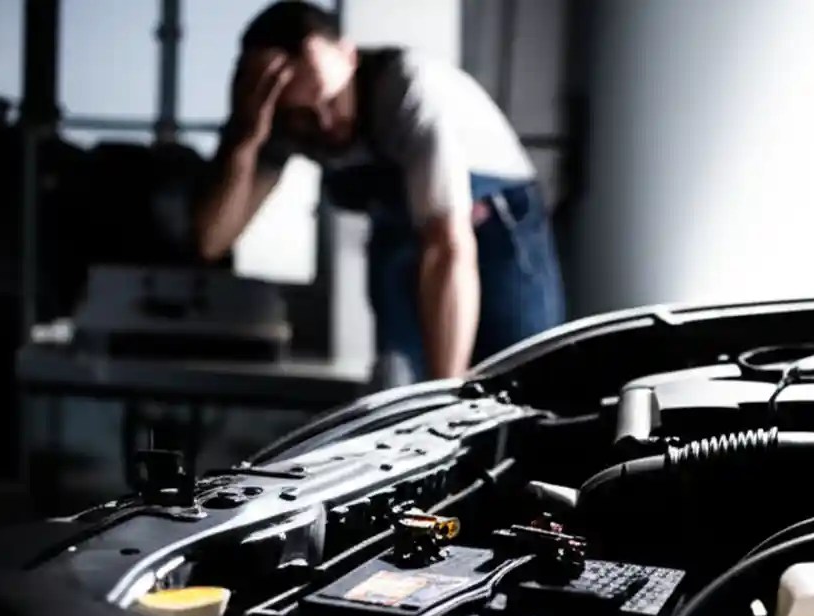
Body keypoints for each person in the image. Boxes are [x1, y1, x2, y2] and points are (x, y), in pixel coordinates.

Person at [192, 1, 566, 383]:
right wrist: (244, 139)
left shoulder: (411, 89)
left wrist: (444, 396)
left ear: (349, 56)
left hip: (493, 227)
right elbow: (212, 241)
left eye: (331, 99)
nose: (323, 122)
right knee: (396, 388)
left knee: (526, 385)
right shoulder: (281, 121)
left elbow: (447, 248)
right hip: (406, 237)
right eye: (302, 114)